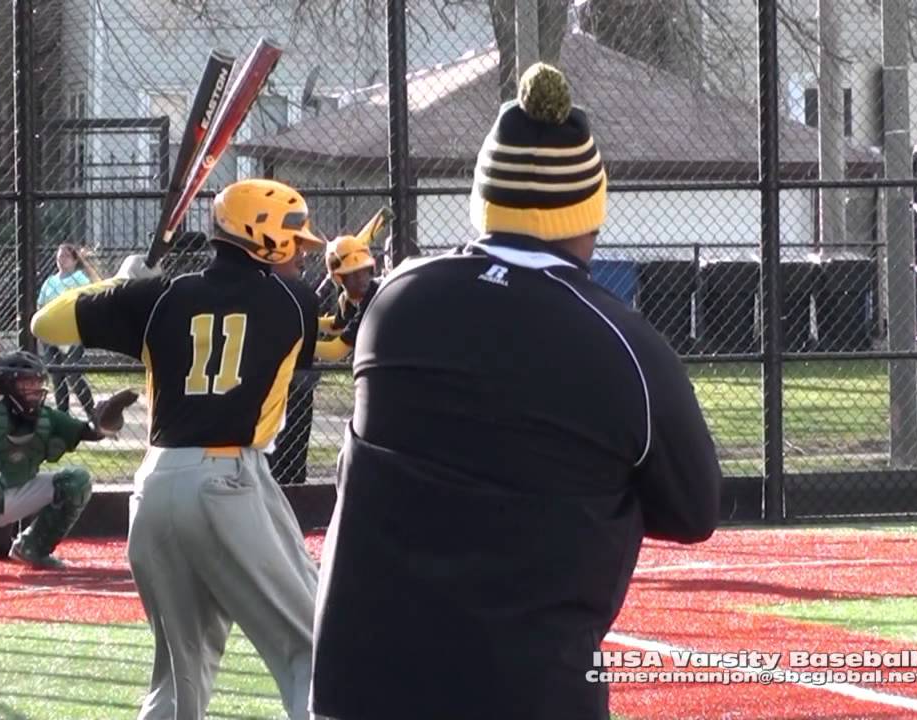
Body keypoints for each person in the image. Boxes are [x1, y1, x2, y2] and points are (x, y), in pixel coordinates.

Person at [309, 63, 722, 720]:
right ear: (591, 212)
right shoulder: (625, 345)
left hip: (359, 685)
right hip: (527, 689)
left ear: (483, 200)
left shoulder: (396, 303)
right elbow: (694, 509)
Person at [30, 178, 325, 720]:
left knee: (178, 676)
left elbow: (44, 323)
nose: (301, 256)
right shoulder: (294, 301)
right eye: (294, 243)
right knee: (314, 645)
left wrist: (118, 286)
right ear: (264, 240)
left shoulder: (158, 294)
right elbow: (318, 341)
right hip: (230, 479)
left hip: (157, 484)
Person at [0, 350, 136, 576]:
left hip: (12, 492)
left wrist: (107, 420)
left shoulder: (46, 417)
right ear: (8, 385)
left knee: (76, 482)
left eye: (37, 382)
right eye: (27, 383)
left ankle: (32, 547)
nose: (35, 389)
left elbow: (88, 432)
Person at [269, 241, 323, 486]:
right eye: (296, 251)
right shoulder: (303, 295)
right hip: (289, 388)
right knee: (288, 468)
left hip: (287, 388)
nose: (302, 258)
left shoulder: (304, 295)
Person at [315, 210, 389, 362]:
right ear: (338, 278)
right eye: (354, 274)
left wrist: (296, 345)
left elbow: (336, 351)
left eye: (365, 271)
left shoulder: (374, 296)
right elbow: (337, 326)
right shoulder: (348, 299)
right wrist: (302, 322)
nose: (362, 279)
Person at [36, 243, 100, 419]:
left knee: (73, 375)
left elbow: (92, 295)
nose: (61, 260)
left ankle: (92, 413)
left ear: (74, 260)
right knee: (57, 376)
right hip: (50, 333)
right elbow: (40, 304)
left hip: (71, 332)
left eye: (65, 256)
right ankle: (62, 415)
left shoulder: (79, 279)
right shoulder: (50, 281)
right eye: (59, 256)